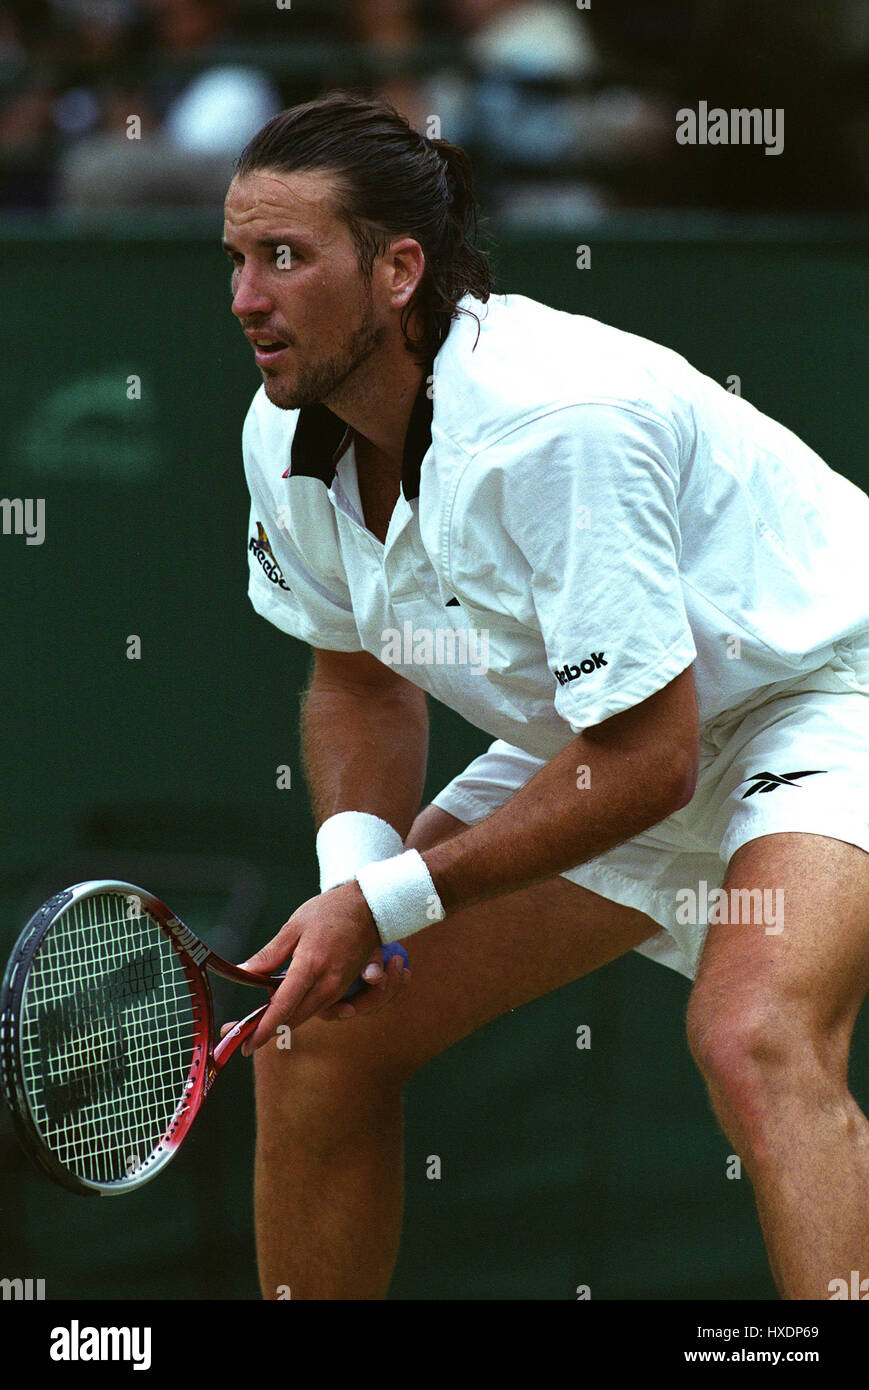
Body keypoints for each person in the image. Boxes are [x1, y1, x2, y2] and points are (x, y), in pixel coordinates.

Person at [221, 90, 869, 1301]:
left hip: (822, 689)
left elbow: (647, 766)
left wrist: (396, 897)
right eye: (240, 258)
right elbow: (357, 675)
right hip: (620, 730)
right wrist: (355, 872)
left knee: (754, 1038)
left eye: (286, 257)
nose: (247, 298)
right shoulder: (283, 431)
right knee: (316, 1039)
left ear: (398, 268)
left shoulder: (558, 423)